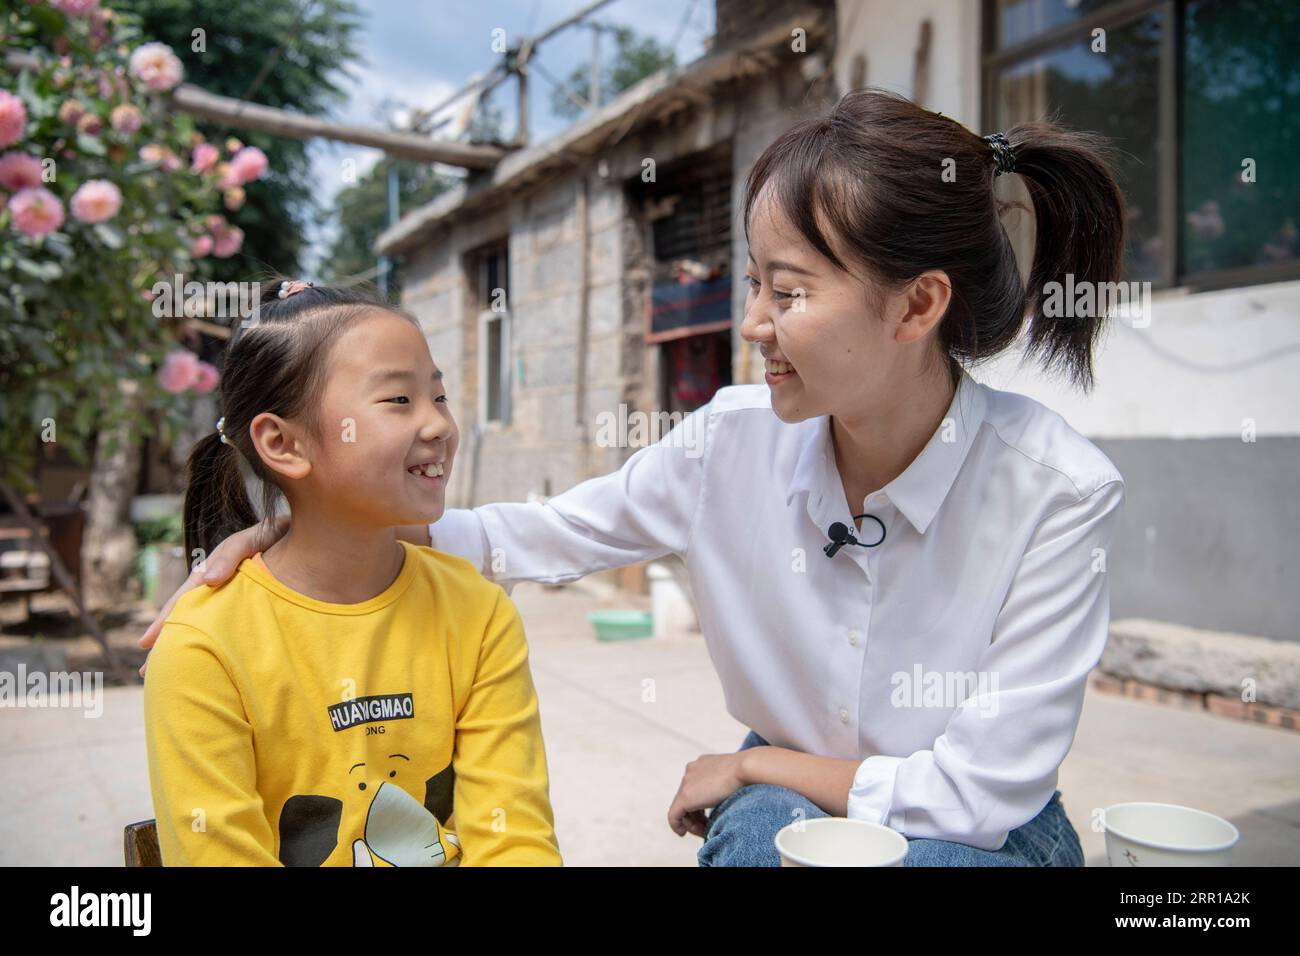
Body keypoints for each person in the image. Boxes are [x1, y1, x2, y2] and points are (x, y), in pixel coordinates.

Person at [143, 88, 1128, 866]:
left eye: (787, 291)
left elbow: (980, 794)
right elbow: (531, 535)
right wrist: (300, 532)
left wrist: (751, 759)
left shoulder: (1054, 494)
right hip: (782, 816)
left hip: (979, 839)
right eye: (753, 282)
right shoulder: (727, 442)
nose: (752, 323)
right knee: (760, 834)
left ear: (916, 305)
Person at [142, 278, 561, 866]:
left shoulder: (477, 610)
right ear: (283, 444)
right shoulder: (203, 650)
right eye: (399, 400)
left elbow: (514, 839)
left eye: (438, 397)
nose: (439, 425)